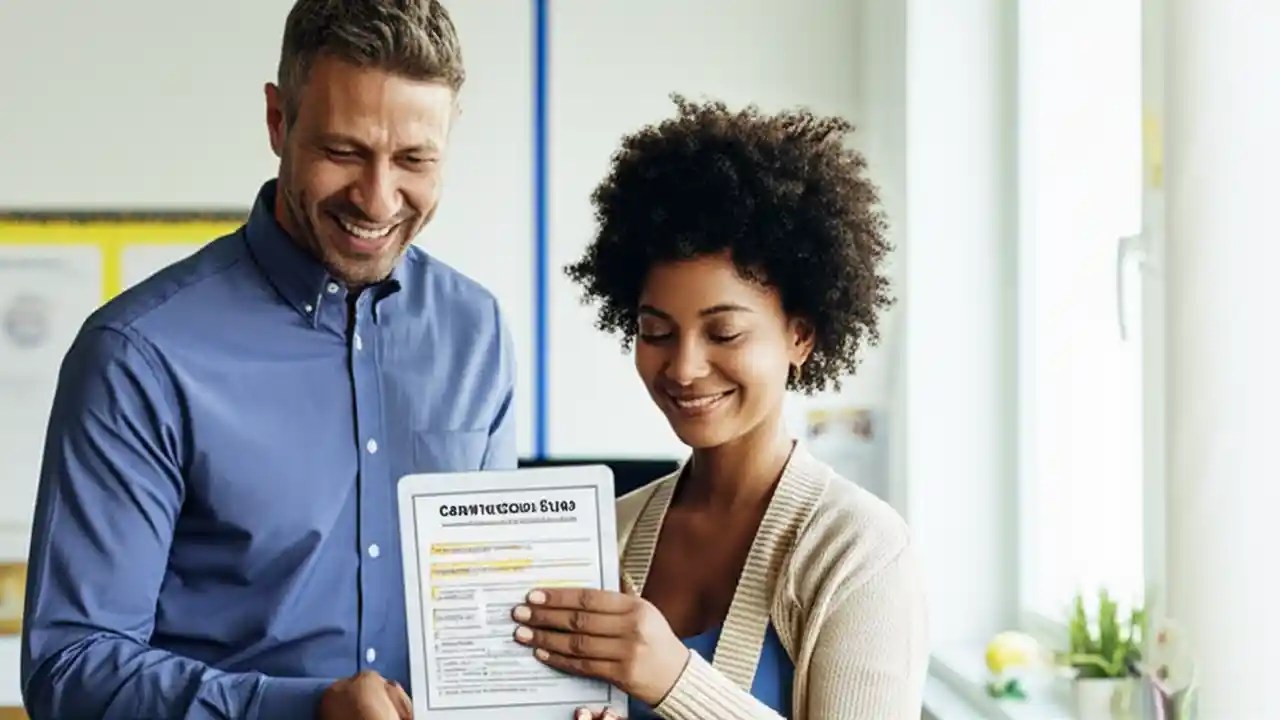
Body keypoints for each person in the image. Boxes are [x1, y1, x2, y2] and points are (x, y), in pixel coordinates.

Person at [20, 1, 516, 718]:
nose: (378, 198)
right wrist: (305, 710)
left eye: (414, 159)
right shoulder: (138, 357)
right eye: (344, 151)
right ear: (278, 121)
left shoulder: (477, 332)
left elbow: (482, 618)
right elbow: (71, 668)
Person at [510, 97, 928, 719]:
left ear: (801, 336)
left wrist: (675, 680)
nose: (683, 367)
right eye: (656, 332)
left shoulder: (859, 551)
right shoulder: (606, 535)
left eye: (724, 333)